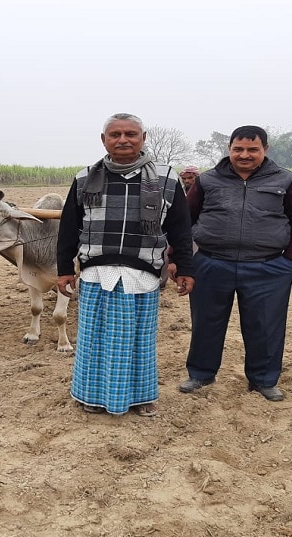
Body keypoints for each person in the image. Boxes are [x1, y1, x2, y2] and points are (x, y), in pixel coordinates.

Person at [57, 113, 195, 417]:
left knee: (140, 340)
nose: (123, 140)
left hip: (143, 272)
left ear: (143, 138)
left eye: (130, 134)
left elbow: (181, 230)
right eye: (115, 134)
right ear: (104, 140)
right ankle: (90, 396)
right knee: (93, 339)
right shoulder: (84, 177)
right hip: (96, 272)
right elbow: (69, 227)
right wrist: (64, 268)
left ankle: (141, 397)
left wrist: (185, 268)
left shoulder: (167, 178)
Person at [178, 126, 292, 401]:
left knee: (265, 325)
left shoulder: (285, 180)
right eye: (238, 149)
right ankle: (201, 374)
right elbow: (184, 220)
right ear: (229, 149)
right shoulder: (208, 180)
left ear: (265, 150)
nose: (245, 155)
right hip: (212, 264)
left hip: (269, 267)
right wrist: (179, 259)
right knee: (206, 322)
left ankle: (263, 380)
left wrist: (291, 259)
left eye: (253, 149)